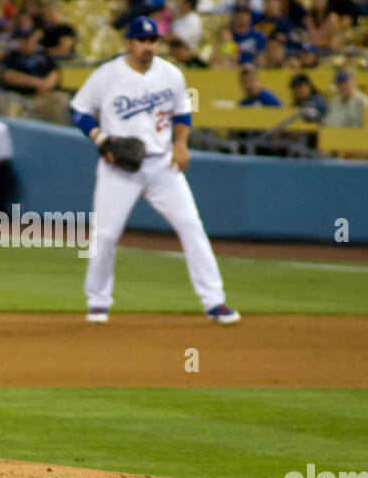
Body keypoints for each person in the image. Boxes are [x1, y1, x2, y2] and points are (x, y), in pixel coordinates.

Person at [69, 17, 240, 324]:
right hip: (119, 167)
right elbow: (78, 110)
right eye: (142, 40)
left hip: (162, 164)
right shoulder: (107, 76)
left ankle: (215, 301)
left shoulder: (171, 74)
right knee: (105, 235)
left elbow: (183, 113)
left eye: (153, 41)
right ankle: (97, 301)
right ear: (129, 43)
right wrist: (100, 137)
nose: (149, 46)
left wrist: (182, 144)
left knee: (192, 226)